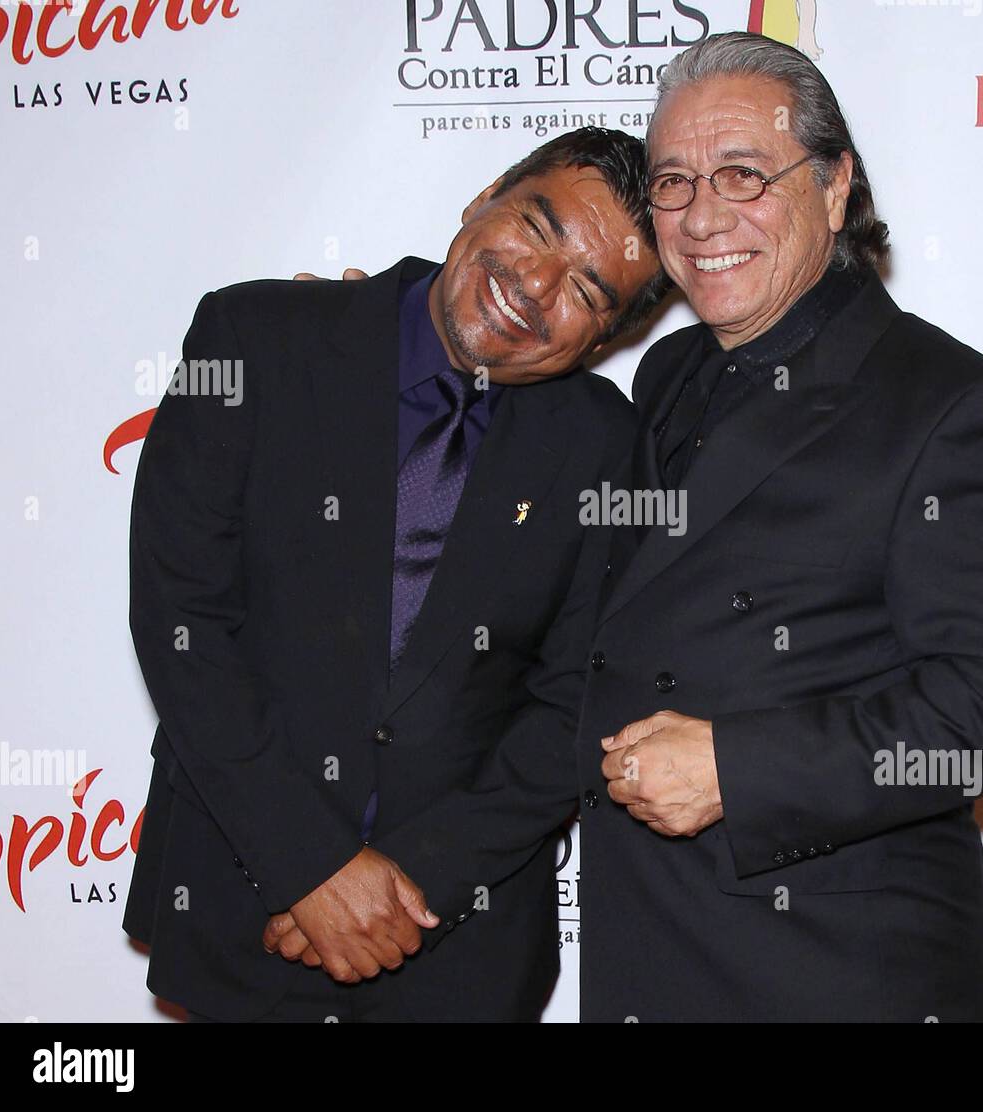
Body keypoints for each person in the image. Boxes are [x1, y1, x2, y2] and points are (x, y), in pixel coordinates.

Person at [123, 126, 667, 1022]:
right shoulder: (254, 336)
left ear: (606, 336)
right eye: (537, 227)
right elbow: (182, 618)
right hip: (239, 901)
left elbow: (575, 703)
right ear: (485, 194)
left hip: (458, 943)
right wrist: (307, 864)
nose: (533, 287)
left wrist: (409, 885)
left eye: (585, 290)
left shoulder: (607, 448)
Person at [579, 32, 983, 1021]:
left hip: (830, 972)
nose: (702, 215)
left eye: (743, 174)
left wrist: (737, 768)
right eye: (672, 182)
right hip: (651, 952)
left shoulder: (950, 401)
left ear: (835, 186)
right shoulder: (666, 375)